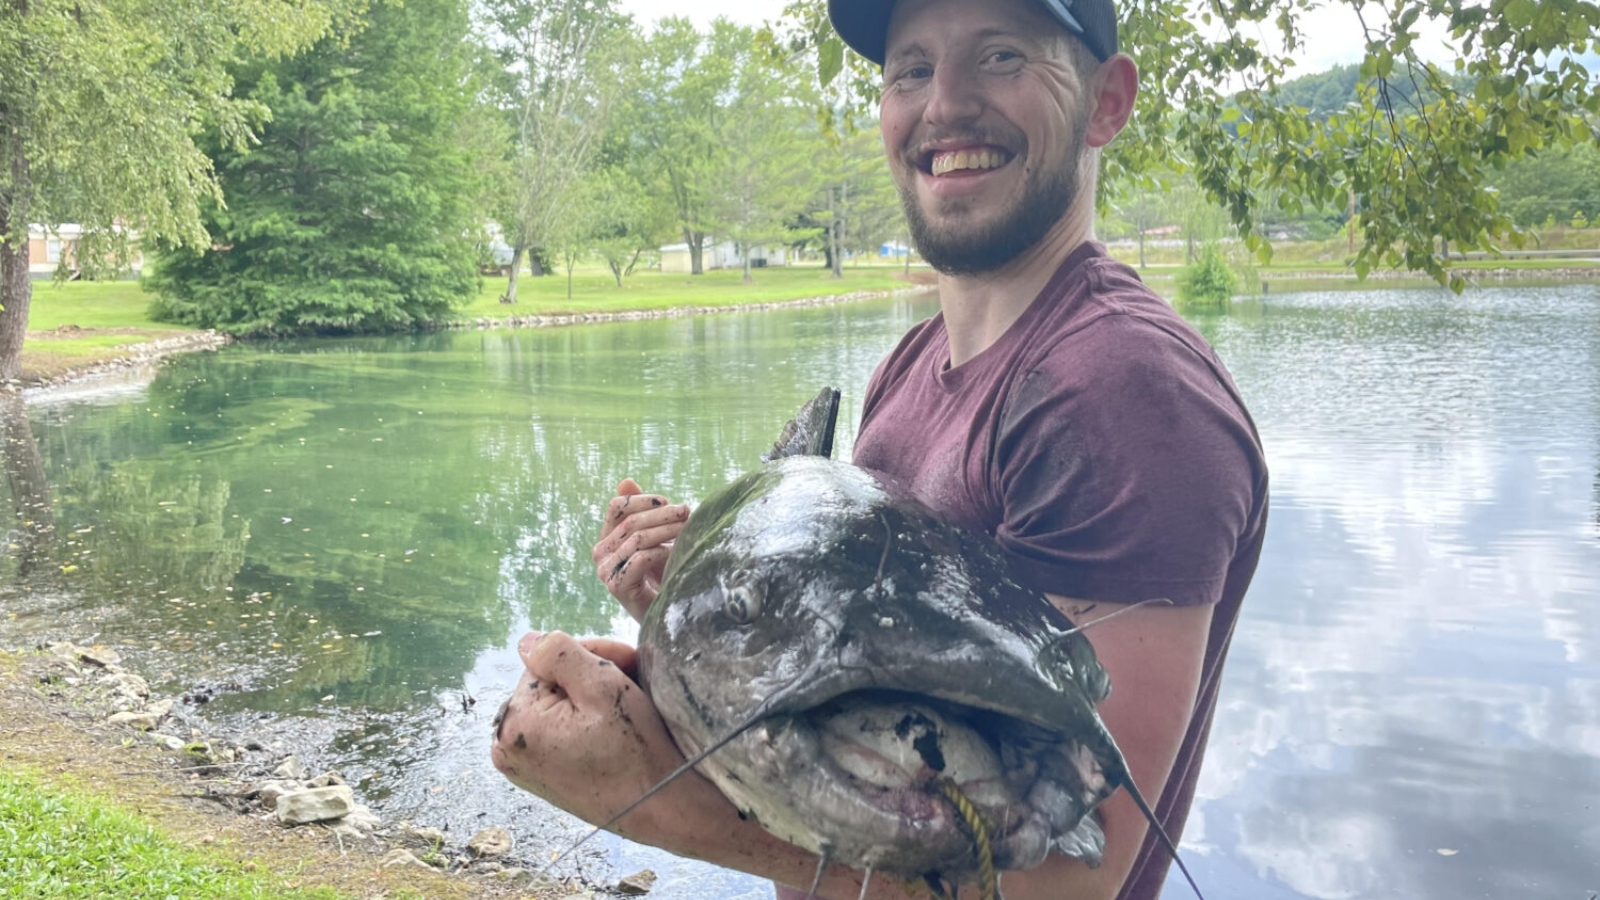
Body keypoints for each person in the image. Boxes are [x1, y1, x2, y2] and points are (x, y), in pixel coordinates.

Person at [490, 0, 1268, 897]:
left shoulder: (1126, 391)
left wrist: (656, 804)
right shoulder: (916, 358)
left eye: (1002, 56)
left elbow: (1067, 884)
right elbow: (858, 651)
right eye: (912, 69)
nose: (945, 105)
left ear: (1107, 99)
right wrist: (696, 597)